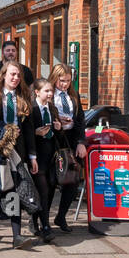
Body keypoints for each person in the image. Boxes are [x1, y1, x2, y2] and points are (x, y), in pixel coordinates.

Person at [0, 61, 38, 248]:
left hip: (18, 150)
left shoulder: (23, 97)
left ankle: (16, 235)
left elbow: (30, 129)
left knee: (15, 190)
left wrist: (32, 156)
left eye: (18, 75)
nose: (15, 78)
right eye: (12, 74)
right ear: (4, 75)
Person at [48, 62, 87, 232]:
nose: (64, 84)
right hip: (53, 140)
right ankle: (41, 220)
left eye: (68, 81)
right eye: (61, 80)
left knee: (72, 181)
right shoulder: (49, 95)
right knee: (49, 183)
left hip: (71, 141)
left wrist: (81, 142)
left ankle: (61, 216)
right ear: (54, 78)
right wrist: (56, 122)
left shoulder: (73, 96)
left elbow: (80, 121)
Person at [31, 77, 60, 242]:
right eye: (46, 91)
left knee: (49, 190)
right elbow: (27, 132)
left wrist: (58, 128)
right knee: (43, 190)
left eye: (51, 91)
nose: (50, 94)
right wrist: (36, 132)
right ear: (37, 92)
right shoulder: (31, 108)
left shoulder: (52, 108)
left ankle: (35, 221)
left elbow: (58, 136)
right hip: (37, 155)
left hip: (51, 155)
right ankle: (46, 226)